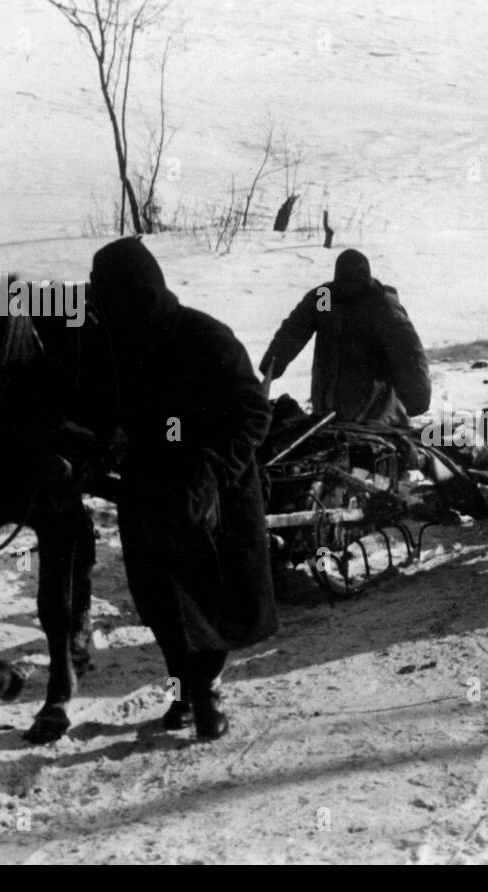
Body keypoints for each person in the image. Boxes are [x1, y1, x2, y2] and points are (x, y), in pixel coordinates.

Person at [88, 237, 277, 740]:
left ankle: (206, 691)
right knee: (159, 603)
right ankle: (183, 692)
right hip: (149, 490)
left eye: (118, 297)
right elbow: (106, 413)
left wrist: (211, 470)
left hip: (212, 496)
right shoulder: (115, 348)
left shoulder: (205, 337)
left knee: (208, 603)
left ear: (143, 292)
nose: (112, 311)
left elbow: (254, 411)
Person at [261, 249, 430, 427]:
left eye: (355, 283)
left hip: (374, 410)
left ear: (366, 279)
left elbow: (407, 352)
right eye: (345, 283)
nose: (349, 289)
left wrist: (417, 397)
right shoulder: (326, 298)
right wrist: (274, 361)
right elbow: (295, 329)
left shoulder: (381, 305)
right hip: (328, 402)